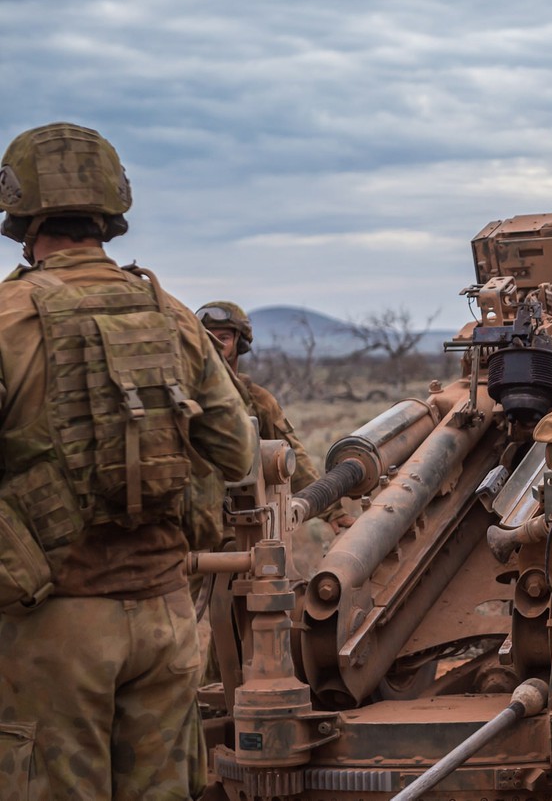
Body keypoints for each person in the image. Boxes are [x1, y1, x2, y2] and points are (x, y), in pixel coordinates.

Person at [0, 122, 254, 799]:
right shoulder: (170, 314)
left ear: (21, 215)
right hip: (167, 622)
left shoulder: (8, 317)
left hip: (54, 624)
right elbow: (236, 452)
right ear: (111, 212)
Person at [195, 300, 323, 497]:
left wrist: (331, 509)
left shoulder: (255, 398)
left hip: (238, 512)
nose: (215, 345)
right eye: (207, 338)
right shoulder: (184, 393)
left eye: (224, 338)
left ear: (240, 343)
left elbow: (290, 455)